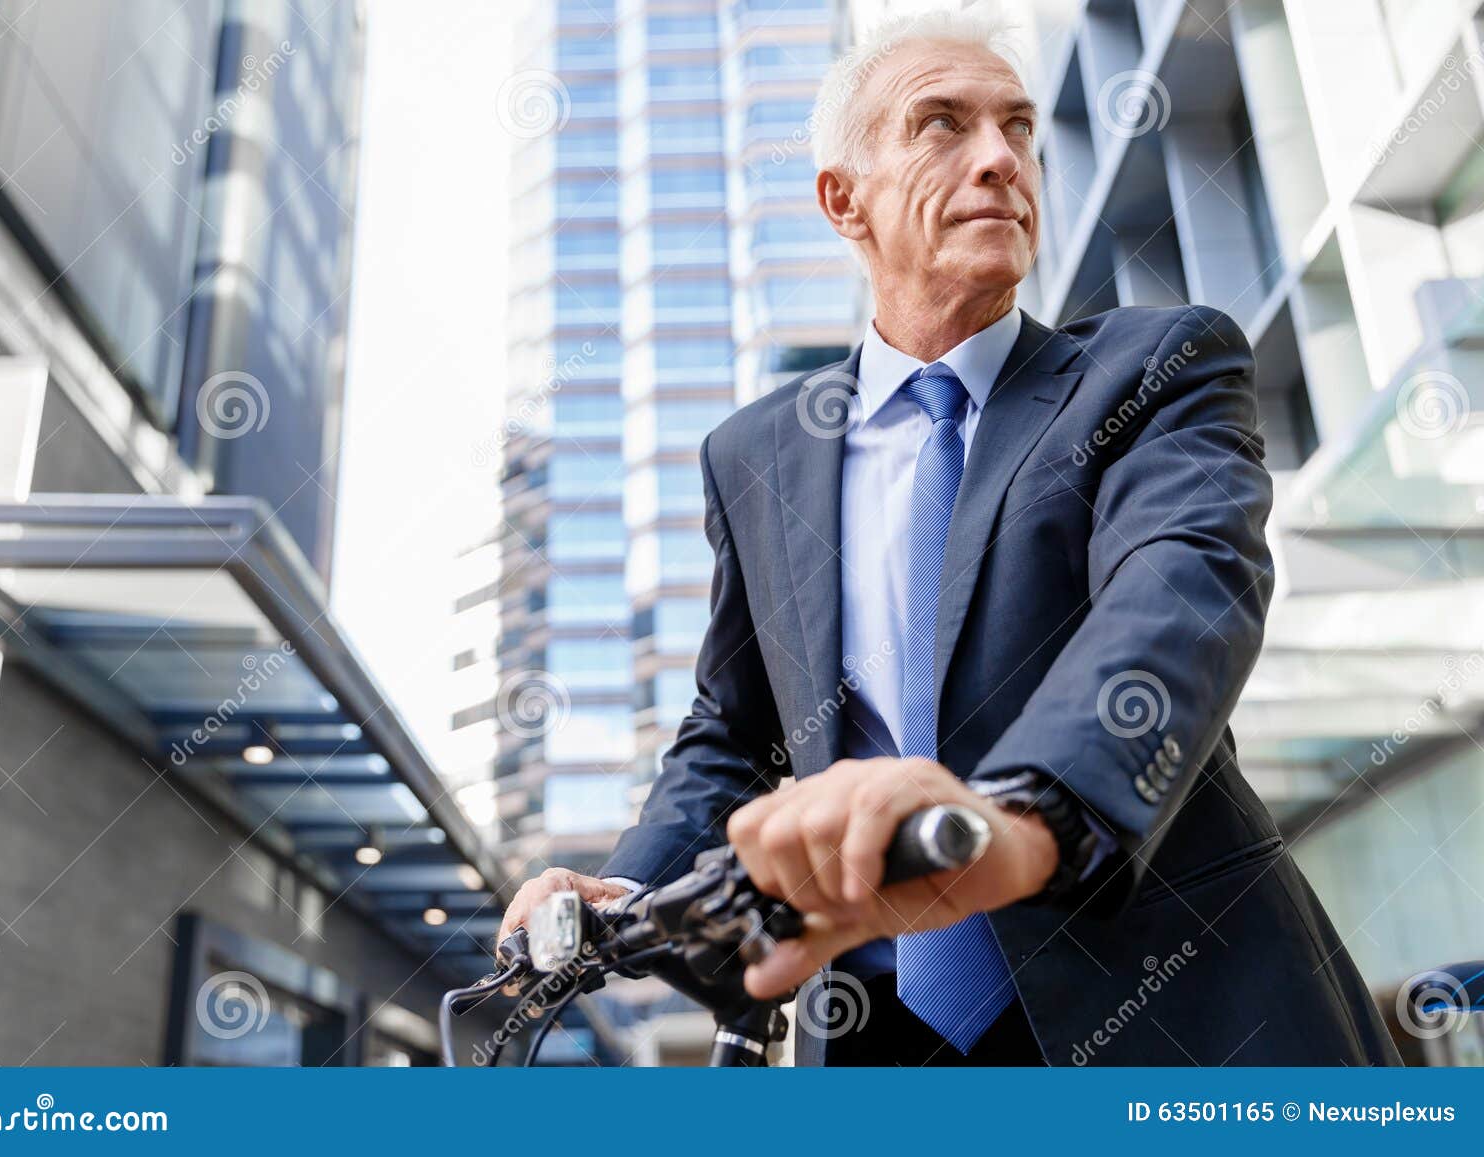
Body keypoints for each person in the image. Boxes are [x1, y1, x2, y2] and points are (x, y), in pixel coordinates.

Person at [498, 5, 1398, 1067]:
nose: (1000, 160)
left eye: (1018, 129)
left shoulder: (1157, 368)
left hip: (1171, 1003)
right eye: (942, 125)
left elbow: (1180, 589)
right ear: (844, 200)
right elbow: (736, 728)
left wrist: (1024, 819)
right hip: (877, 1031)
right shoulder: (755, 454)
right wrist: (631, 883)